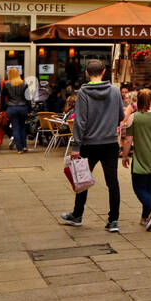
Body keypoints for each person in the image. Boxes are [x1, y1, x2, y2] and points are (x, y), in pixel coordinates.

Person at [60, 58, 125, 232]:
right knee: (113, 183)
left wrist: (76, 146)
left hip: (89, 144)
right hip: (110, 142)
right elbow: (120, 116)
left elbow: (80, 121)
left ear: (87, 73)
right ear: (104, 72)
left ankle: (77, 215)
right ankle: (113, 221)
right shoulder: (115, 91)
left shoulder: (83, 92)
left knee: (82, 179)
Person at [120, 88, 151, 230]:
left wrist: (124, 156)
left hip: (141, 157)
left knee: (138, 188)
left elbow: (128, 140)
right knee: (148, 187)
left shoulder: (133, 117)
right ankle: (144, 217)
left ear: (138, 101)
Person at [0, 67, 33, 153]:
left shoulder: (6, 84)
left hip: (11, 108)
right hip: (23, 107)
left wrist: (2, 109)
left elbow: (3, 98)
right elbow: (28, 98)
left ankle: (19, 149)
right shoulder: (24, 84)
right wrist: (30, 110)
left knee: (15, 128)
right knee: (22, 127)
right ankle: (24, 146)